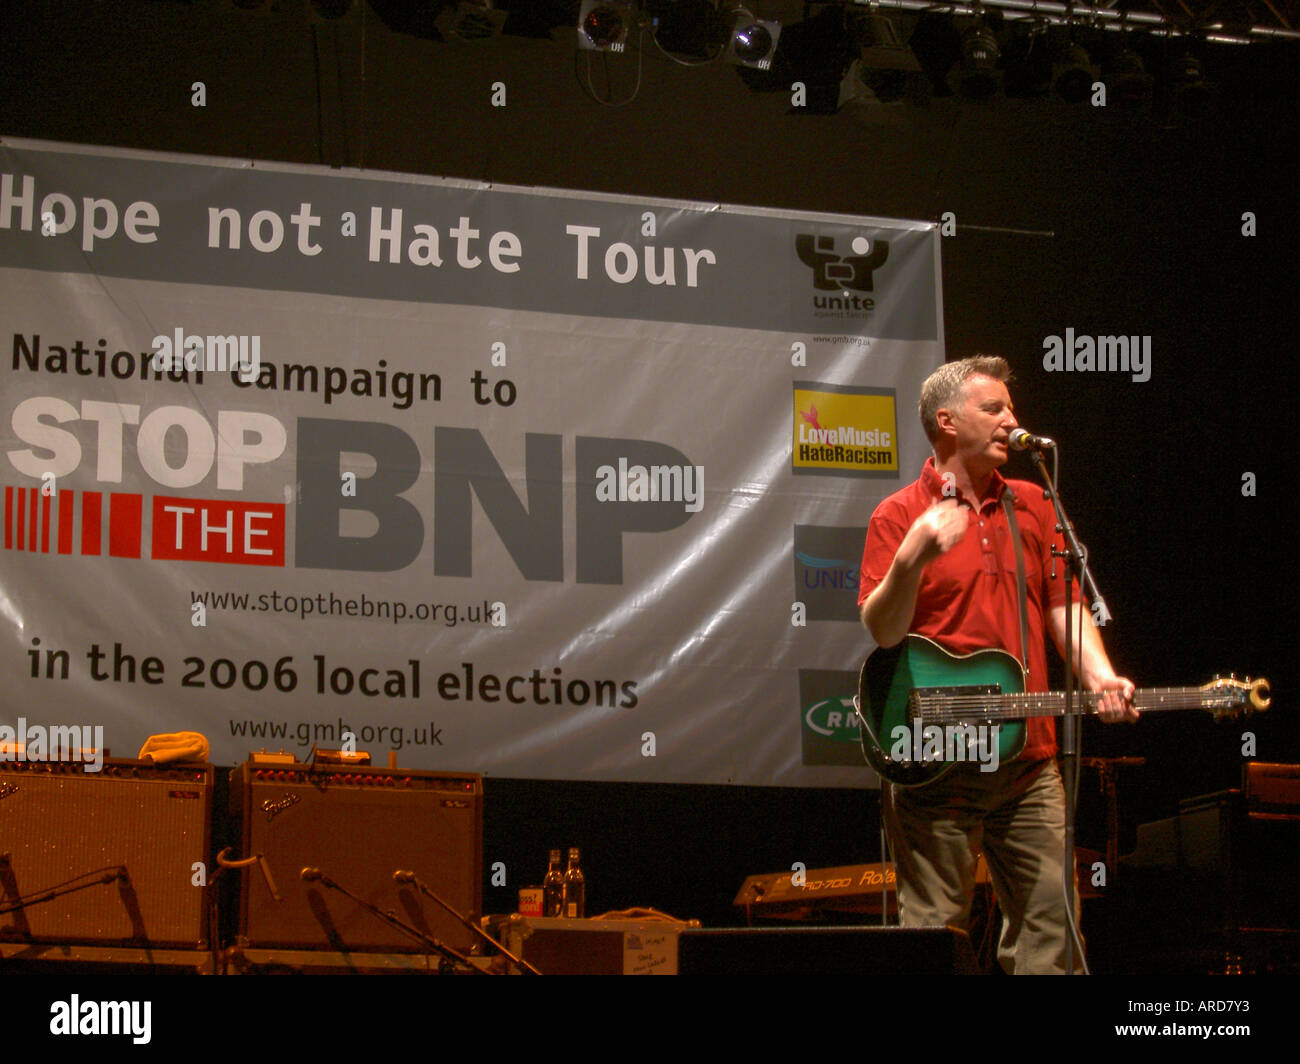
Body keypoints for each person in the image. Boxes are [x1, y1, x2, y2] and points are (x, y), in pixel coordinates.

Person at [857, 355, 1137, 974]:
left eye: (1011, 408)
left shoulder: (1036, 505)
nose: (1013, 420)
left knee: (1052, 934)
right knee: (935, 934)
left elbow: (1064, 608)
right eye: (995, 409)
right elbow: (883, 629)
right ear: (947, 421)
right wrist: (911, 559)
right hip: (935, 758)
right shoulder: (898, 514)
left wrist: (1100, 676)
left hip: (1028, 760)